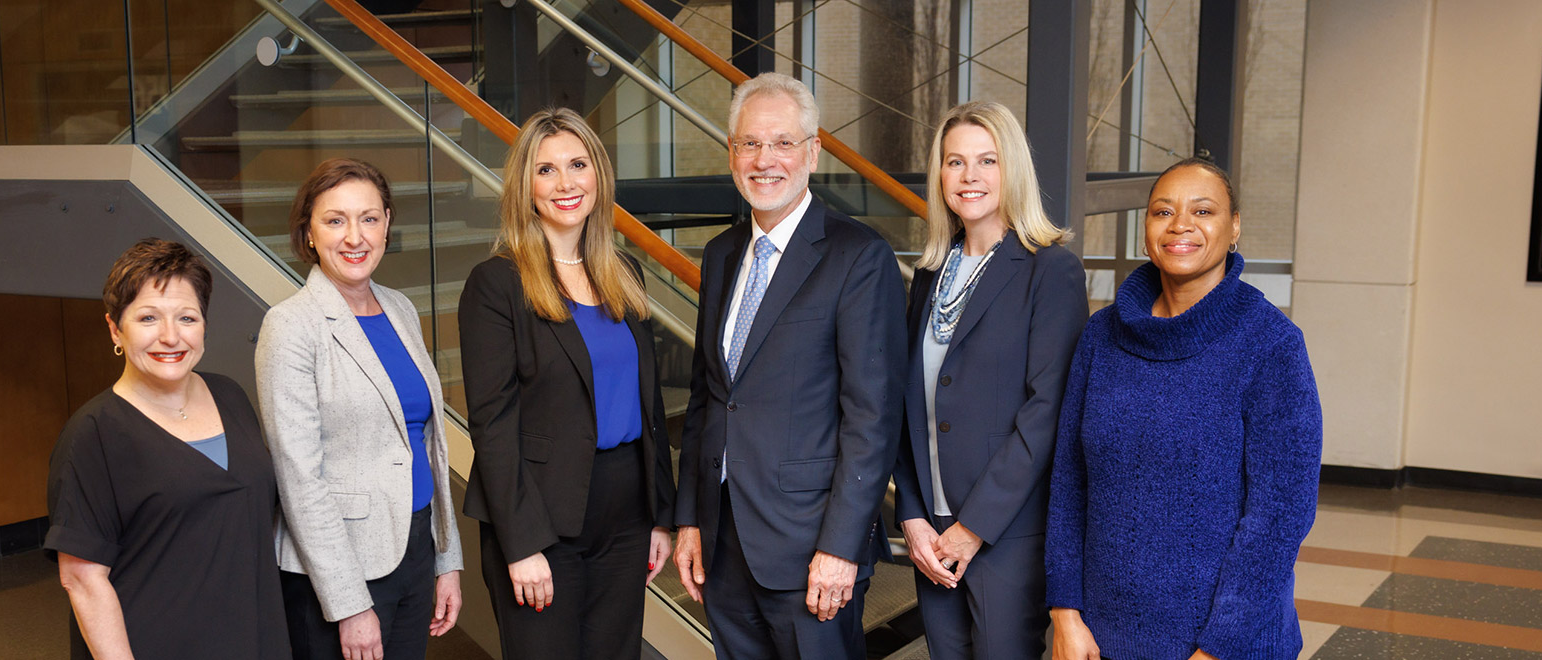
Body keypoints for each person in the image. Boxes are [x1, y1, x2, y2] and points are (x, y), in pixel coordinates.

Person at [1045, 158, 1323, 660]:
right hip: (1101, 639)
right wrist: (1065, 613)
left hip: (1228, 646)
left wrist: (1216, 650)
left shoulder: (1271, 344)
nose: (1180, 225)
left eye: (1203, 211)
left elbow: (1280, 516)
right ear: (1146, 230)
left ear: (1234, 227)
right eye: (1163, 211)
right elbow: (1069, 480)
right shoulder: (1102, 335)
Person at [671, 71, 907, 660]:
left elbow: (872, 418)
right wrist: (691, 518)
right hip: (724, 543)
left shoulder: (859, 256)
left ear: (813, 152)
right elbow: (708, 397)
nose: (765, 160)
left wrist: (841, 547)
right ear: (731, 152)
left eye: (782, 142)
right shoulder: (721, 254)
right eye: (750, 143)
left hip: (812, 549)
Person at [459, 107, 677, 660]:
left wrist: (660, 514)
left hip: (626, 511)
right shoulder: (497, 284)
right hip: (541, 515)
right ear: (525, 187)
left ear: (598, 174)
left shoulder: (624, 272)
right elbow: (492, 424)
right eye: (546, 170)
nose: (565, 183)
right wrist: (521, 543)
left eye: (578, 165)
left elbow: (648, 404)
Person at [892, 101, 1087, 660]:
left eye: (987, 160)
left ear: (1012, 169)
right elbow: (906, 404)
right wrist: (912, 513)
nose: (969, 176)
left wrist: (972, 528)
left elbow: (1047, 412)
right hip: (932, 528)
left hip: (1005, 533)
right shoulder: (930, 273)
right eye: (955, 162)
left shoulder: (1050, 270)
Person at [256, 158, 464, 660]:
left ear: (387, 224)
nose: (355, 237)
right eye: (335, 220)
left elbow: (426, 445)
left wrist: (446, 558)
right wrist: (349, 605)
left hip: (414, 547)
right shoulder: (291, 326)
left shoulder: (400, 308)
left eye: (368, 218)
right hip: (338, 569)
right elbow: (299, 479)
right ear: (309, 232)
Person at [46, 238, 290, 659]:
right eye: (148, 318)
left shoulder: (231, 396)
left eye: (187, 318)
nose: (170, 337)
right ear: (115, 329)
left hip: (253, 637)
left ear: (204, 325)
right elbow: (82, 580)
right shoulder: (93, 434)